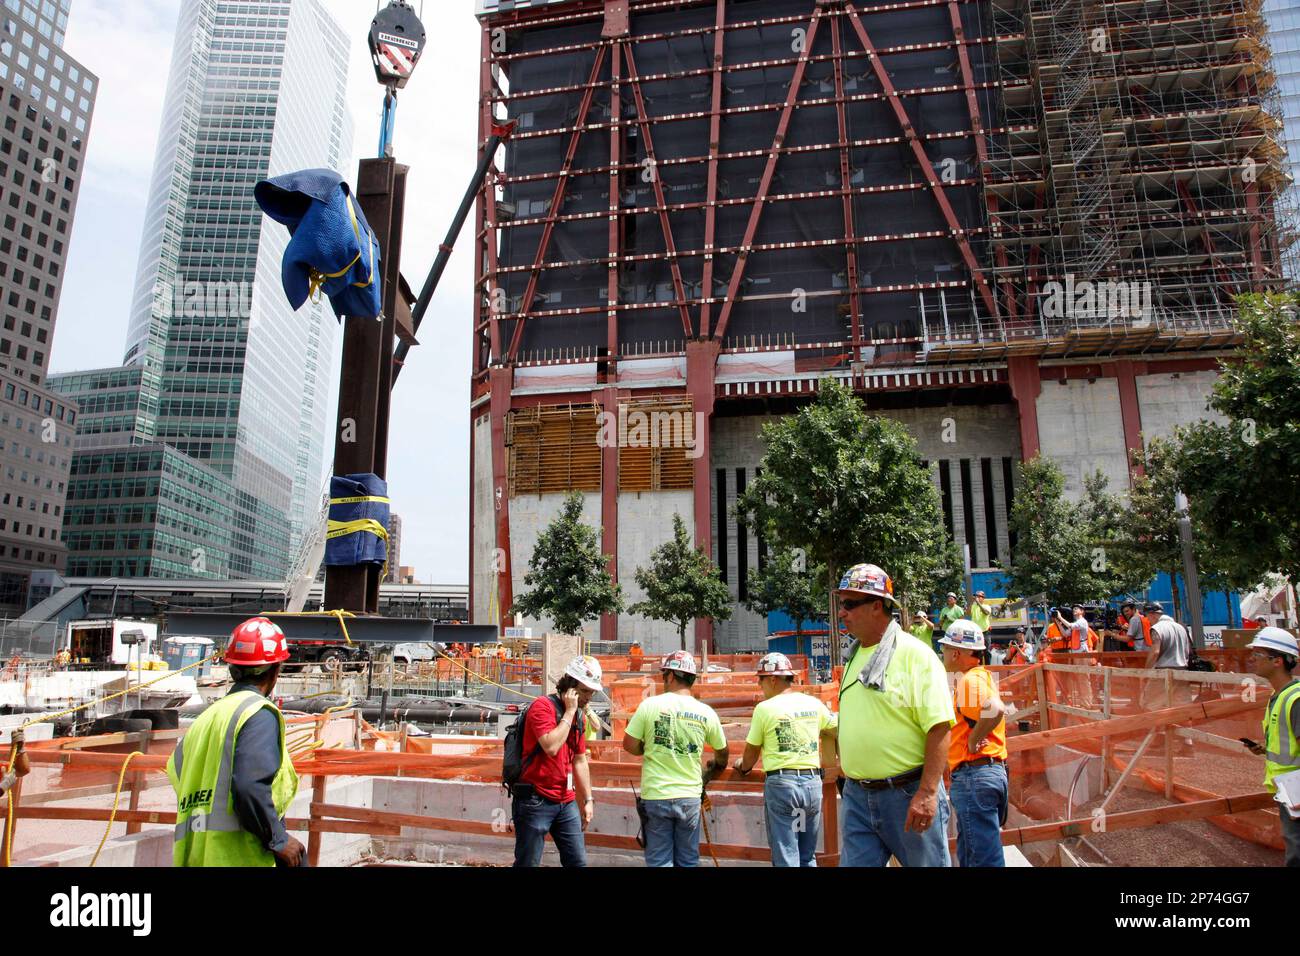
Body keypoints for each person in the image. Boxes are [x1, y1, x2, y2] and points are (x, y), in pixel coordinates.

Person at [836, 563, 955, 867]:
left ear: (877, 606)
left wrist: (928, 793)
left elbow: (940, 727)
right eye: (841, 605)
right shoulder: (854, 657)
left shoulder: (916, 656)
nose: (841, 613)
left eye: (849, 604)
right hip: (857, 797)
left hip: (907, 795)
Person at [166, 617, 304, 867]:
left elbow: (177, 774)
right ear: (275, 670)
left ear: (232, 669)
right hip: (241, 857)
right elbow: (249, 787)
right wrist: (278, 839)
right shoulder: (258, 714)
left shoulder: (205, 719)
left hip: (195, 856)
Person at [623, 650, 729, 867]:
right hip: (689, 796)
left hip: (656, 795)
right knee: (688, 860)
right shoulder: (705, 712)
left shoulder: (650, 706)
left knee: (659, 860)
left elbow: (630, 744)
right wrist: (710, 772)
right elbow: (723, 753)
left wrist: (651, 746)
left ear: (670, 676)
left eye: (664, 676)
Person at [734, 652, 837, 867]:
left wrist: (742, 767)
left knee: (786, 855)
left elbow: (751, 753)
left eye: (761, 679)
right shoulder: (813, 703)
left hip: (783, 788)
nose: (760, 685)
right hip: (811, 786)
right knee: (806, 855)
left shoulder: (764, 709)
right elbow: (836, 727)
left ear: (773, 679)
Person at [511, 655, 601, 867]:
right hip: (535, 799)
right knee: (528, 863)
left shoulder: (580, 716)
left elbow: (579, 760)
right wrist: (569, 712)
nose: (589, 697)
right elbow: (551, 747)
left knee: (578, 862)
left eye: (592, 692)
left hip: (565, 800)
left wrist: (588, 799)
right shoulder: (542, 707)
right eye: (585, 690)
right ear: (570, 686)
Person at [939, 619, 1010, 867]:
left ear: (956, 652)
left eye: (945, 649)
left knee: (982, 859)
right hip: (985, 773)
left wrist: (972, 741)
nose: (943, 654)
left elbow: (995, 708)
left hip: (975, 774)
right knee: (973, 854)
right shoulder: (979, 677)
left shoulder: (969, 681)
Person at [1243, 628, 1300, 866]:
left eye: (1258, 654)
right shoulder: (1279, 696)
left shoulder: (1294, 699)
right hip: (1289, 786)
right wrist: (1265, 749)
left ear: (1277, 661)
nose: (1251, 659)